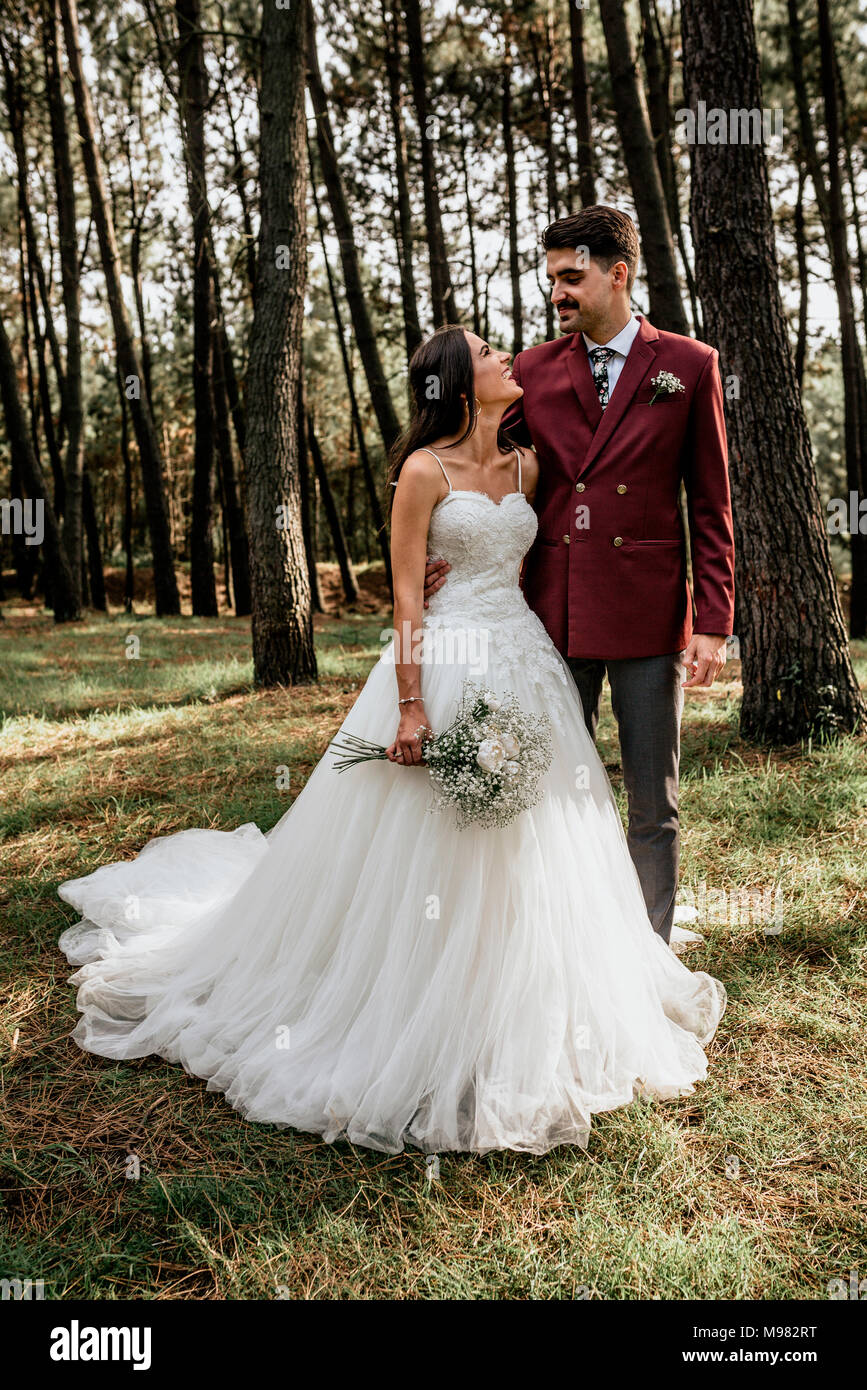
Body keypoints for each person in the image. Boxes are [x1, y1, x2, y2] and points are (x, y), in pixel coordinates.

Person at [58, 323, 725, 1157]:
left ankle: (523, 984)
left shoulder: (528, 464)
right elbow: (408, 602)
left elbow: (569, 536)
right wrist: (411, 708)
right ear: (456, 384)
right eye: (487, 355)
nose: (505, 360)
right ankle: (417, 991)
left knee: (539, 822)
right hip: (442, 658)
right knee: (436, 830)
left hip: (522, 657)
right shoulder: (421, 471)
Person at [424, 207, 735, 944]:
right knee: (539, 782)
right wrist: (445, 546)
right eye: (551, 280)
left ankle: (646, 953)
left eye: (572, 278)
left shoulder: (689, 364)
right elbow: (474, 464)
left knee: (652, 802)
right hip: (547, 614)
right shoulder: (530, 369)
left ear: (616, 273)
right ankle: (553, 944)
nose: (558, 294)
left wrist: (714, 622)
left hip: (649, 613)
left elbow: (711, 502)